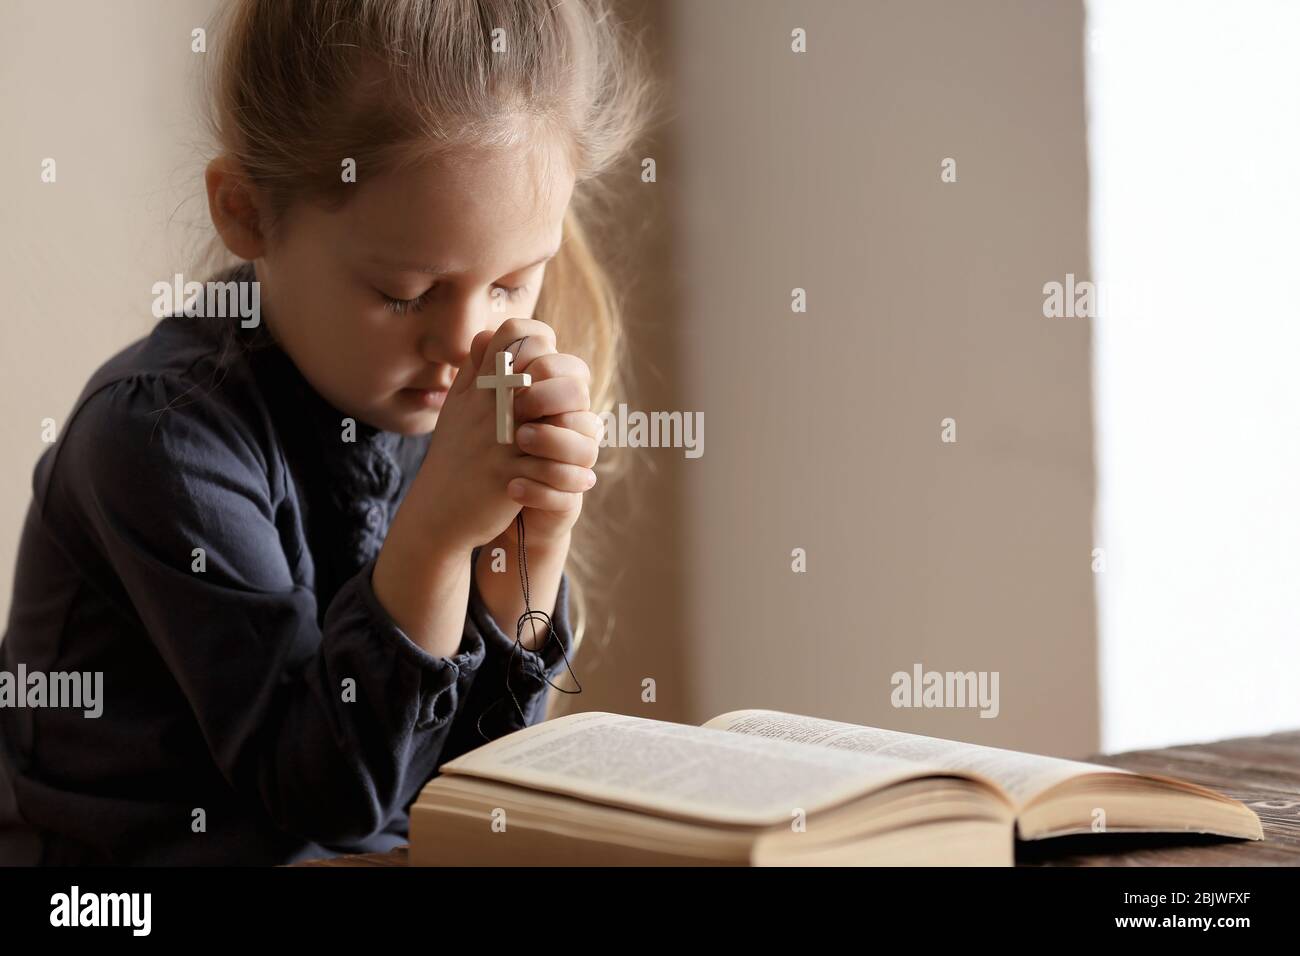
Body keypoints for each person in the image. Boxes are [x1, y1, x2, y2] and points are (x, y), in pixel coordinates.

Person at [0, 0, 659, 865]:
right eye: (405, 293)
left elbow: (474, 796)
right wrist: (431, 544)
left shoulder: (422, 398)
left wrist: (525, 560)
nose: (465, 347)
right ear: (246, 212)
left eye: (511, 284)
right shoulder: (159, 440)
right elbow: (327, 796)